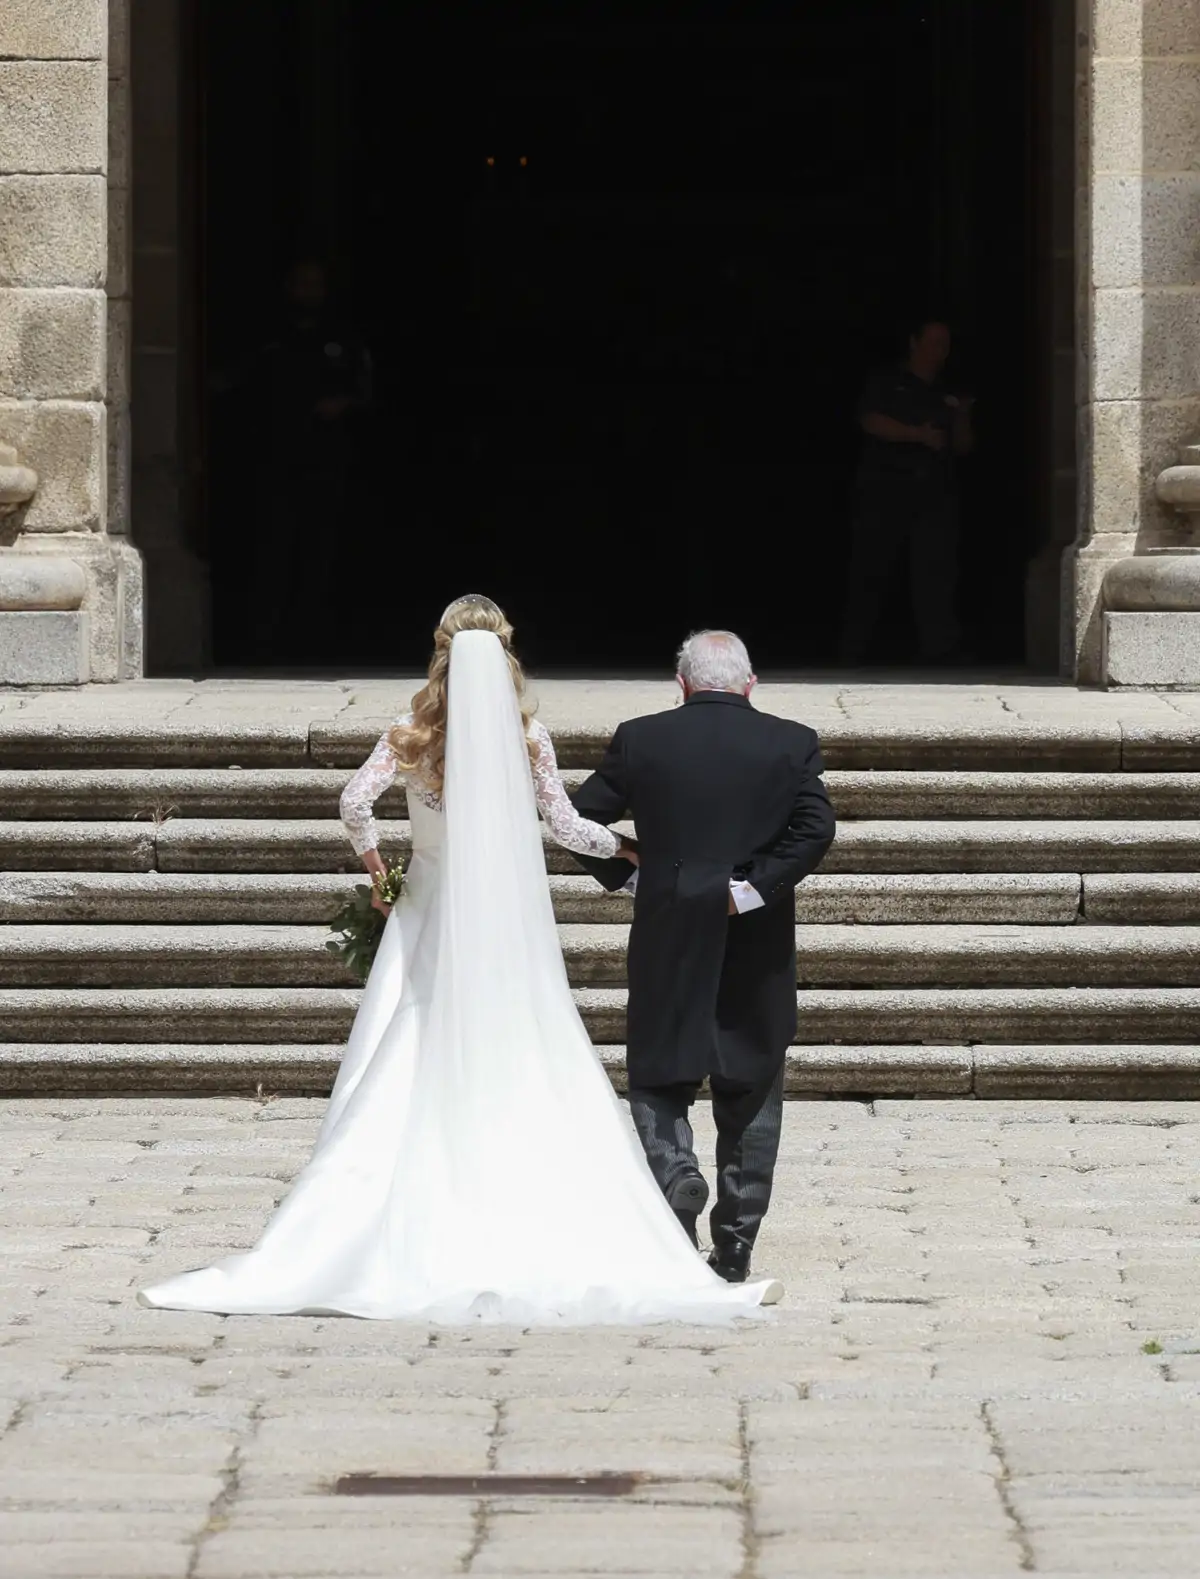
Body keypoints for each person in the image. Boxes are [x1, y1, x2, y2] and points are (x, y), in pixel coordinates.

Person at [138, 597, 781, 1322]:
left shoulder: (409, 733)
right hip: (507, 911)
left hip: (430, 903)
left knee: (409, 1034)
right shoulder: (528, 735)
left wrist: (379, 872)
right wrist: (630, 850)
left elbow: (354, 803)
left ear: (441, 651)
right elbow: (567, 824)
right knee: (521, 1032)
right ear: (506, 654)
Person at [570, 631, 836, 1285]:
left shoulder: (641, 738)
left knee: (657, 1073)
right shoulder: (791, 741)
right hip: (756, 935)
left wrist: (632, 871)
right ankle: (736, 1244)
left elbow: (577, 822)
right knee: (754, 1079)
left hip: (670, 928)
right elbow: (815, 827)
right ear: (750, 683)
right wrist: (751, 889)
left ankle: (676, 1174)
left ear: (683, 684)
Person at [839, 318, 974, 667]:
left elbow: (963, 446)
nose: (940, 351)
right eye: (933, 342)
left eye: (945, 344)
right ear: (914, 343)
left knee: (935, 573)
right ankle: (855, 649)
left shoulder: (949, 389)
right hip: (886, 491)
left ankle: (938, 649)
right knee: (872, 570)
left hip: (935, 495)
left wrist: (962, 417)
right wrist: (917, 435)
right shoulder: (887, 381)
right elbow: (870, 420)